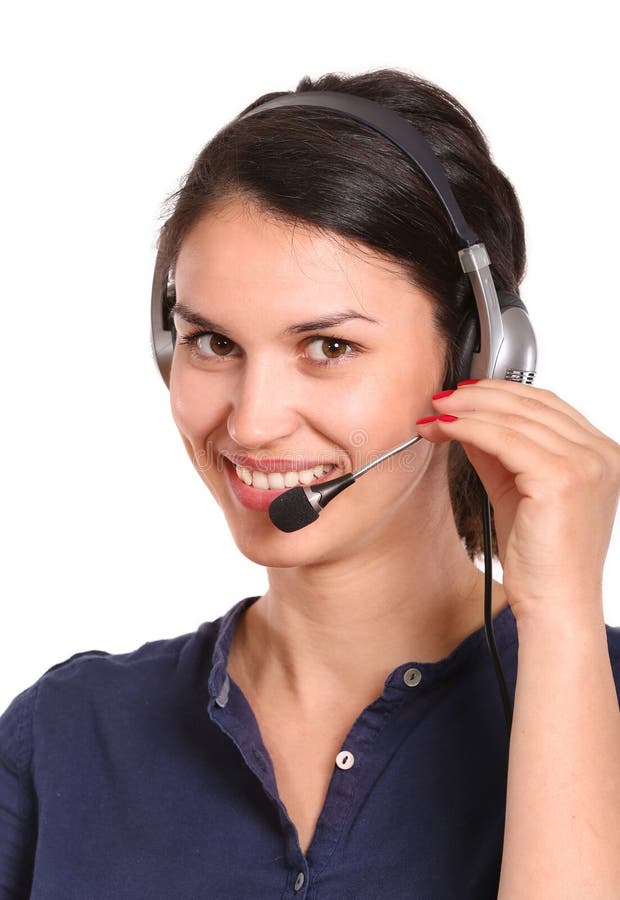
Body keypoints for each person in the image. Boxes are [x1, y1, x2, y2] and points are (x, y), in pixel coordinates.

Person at [1, 68, 619, 899]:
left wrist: (566, 625)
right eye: (213, 342)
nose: (251, 423)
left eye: (327, 347)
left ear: (479, 358)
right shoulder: (69, 736)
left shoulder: (600, 690)